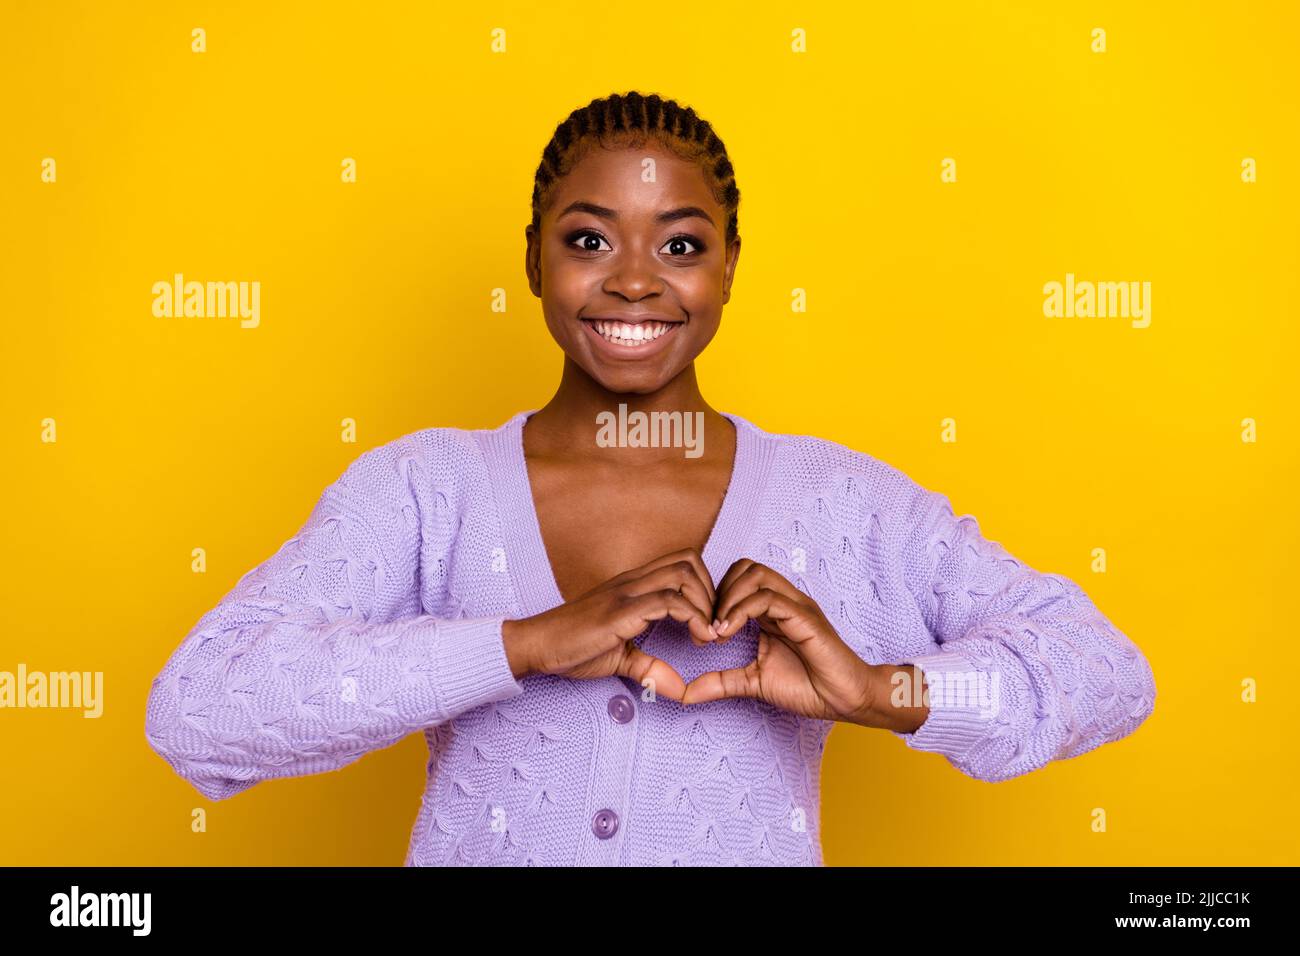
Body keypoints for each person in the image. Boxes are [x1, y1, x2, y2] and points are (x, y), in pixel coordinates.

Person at [144, 91, 1157, 866]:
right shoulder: (423, 490)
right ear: (534, 260)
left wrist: (876, 688)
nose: (633, 278)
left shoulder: (842, 504)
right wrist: (523, 642)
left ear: (729, 267)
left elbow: (1106, 671)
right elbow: (197, 707)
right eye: (588, 239)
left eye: (681, 243)